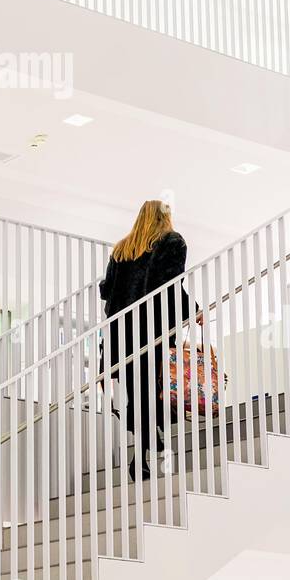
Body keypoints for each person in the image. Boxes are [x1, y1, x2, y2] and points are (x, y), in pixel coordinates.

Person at [99, 200, 201, 482]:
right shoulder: (172, 242)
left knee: (138, 391)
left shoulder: (122, 247)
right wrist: (194, 311)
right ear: (165, 218)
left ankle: (146, 447)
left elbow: (106, 291)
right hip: (152, 331)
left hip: (122, 335)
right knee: (151, 389)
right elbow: (170, 285)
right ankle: (142, 453)